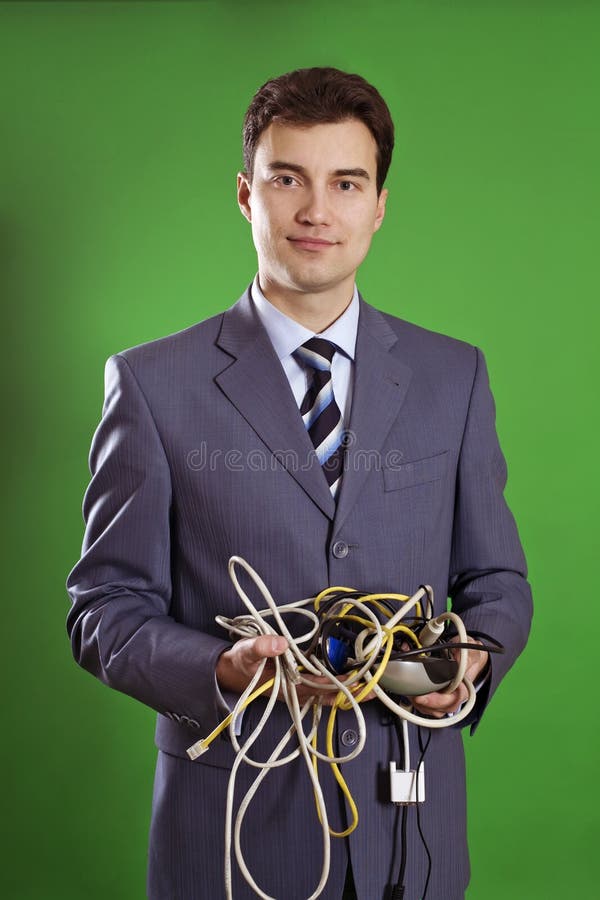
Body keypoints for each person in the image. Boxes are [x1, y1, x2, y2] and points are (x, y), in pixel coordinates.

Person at [67, 67, 532, 900]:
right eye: (289, 179)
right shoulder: (150, 385)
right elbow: (104, 610)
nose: (317, 211)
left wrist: (469, 658)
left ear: (379, 204)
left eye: (345, 182)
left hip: (410, 837)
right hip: (231, 837)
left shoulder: (452, 377)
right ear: (247, 195)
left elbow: (497, 582)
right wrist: (222, 670)